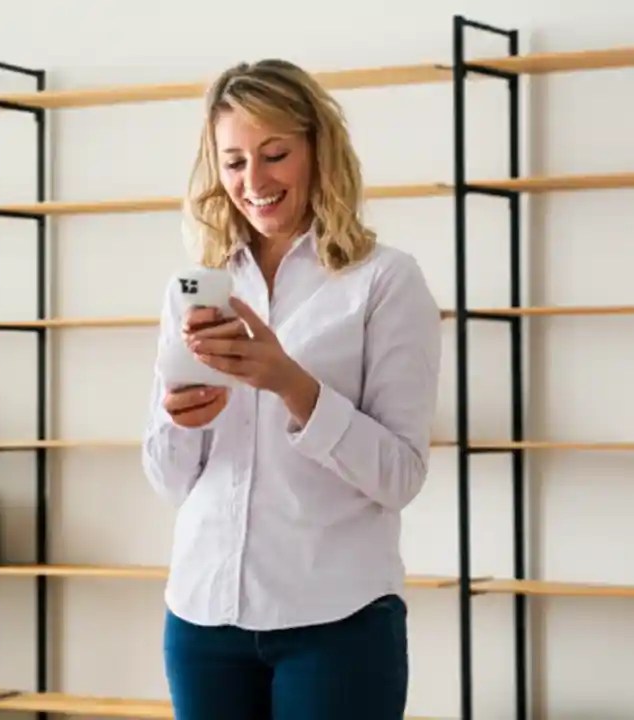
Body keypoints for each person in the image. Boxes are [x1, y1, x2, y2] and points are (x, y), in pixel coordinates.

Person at [141, 58, 442, 719]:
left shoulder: (385, 281)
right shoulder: (196, 288)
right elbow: (169, 483)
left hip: (337, 623)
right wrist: (181, 421)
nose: (254, 182)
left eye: (274, 154)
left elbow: (400, 476)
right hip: (201, 620)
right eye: (234, 162)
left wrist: (293, 386)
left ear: (317, 150)